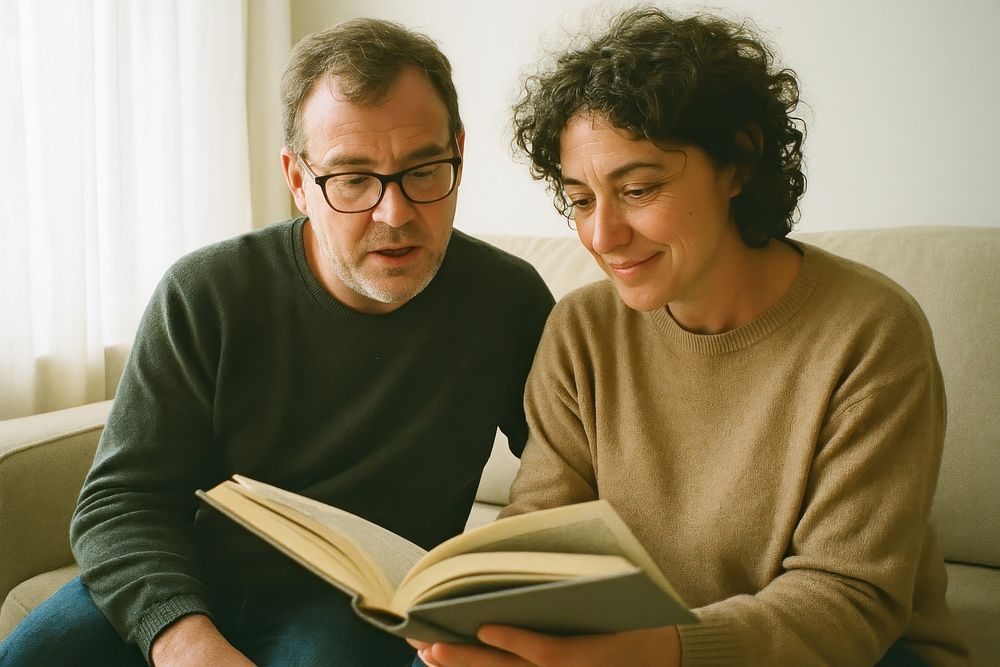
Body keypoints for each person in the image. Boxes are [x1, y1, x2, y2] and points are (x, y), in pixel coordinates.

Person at [410, 6, 969, 667]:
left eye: (639, 188)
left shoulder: (870, 334)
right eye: (582, 200)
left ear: (738, 162)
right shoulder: (583, 329)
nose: (602, 235)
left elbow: (847, 598)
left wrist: (657, 651)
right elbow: (541, 536)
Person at [0, 18, 553, 667]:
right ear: (297, 178)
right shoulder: (208, 291)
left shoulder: (507, 301)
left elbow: (566, 476)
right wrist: (186, 642)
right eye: (352, 178)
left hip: (355, 603)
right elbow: (121, 500)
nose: (395, 213)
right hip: (190, 572)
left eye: (424, 169)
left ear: (458, 150)